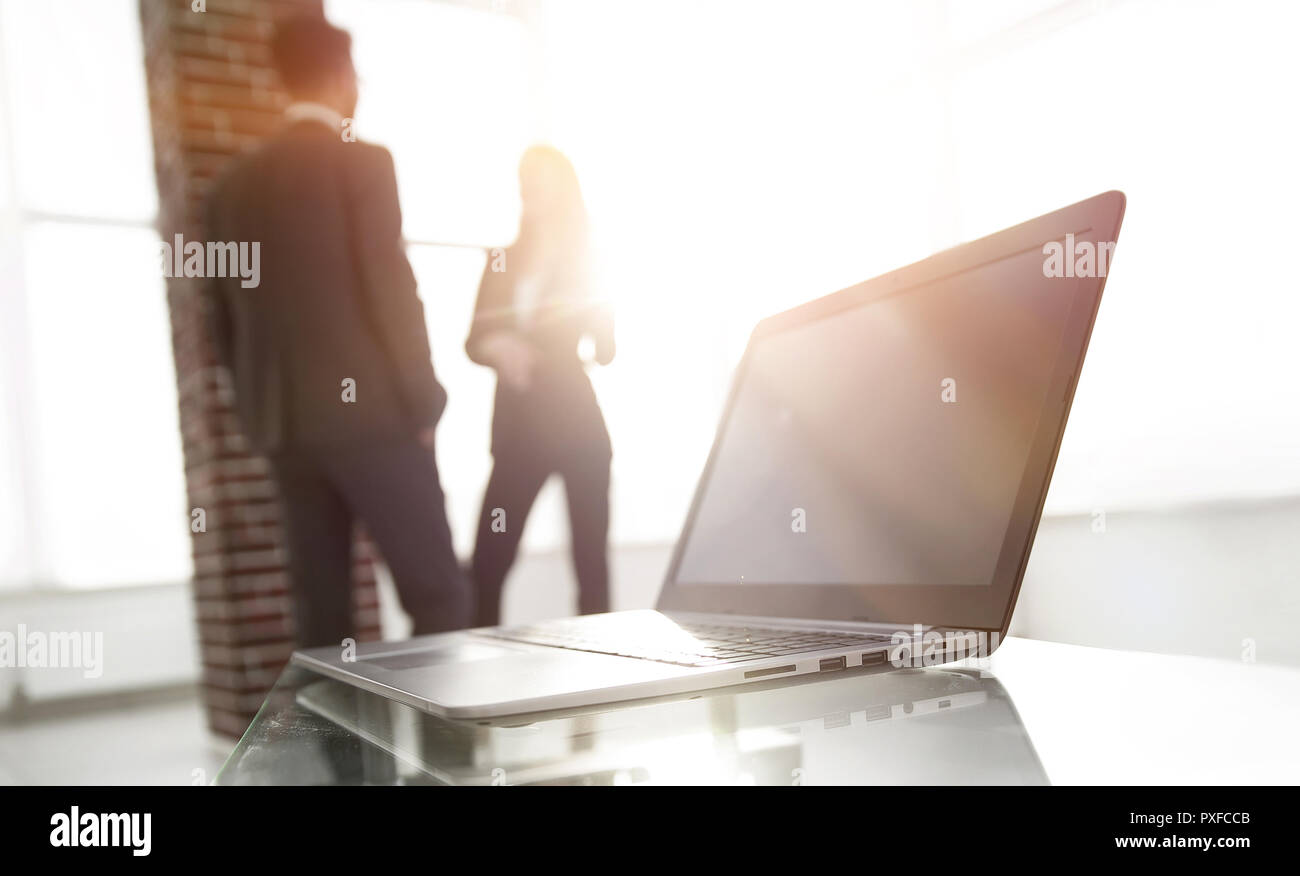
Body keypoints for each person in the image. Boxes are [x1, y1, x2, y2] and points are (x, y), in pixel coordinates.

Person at [203, 18, 469, 647]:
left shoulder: (229, 191)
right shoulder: (363, 163)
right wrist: (425, 401)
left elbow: (221, 323)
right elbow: (390, 289)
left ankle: (346, 752)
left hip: (286, 431)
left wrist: (261, 417)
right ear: (340, 75)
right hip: (372, 418)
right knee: (440, 596)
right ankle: (441, 750)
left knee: (323, 624)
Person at [466, 145, 615, 627]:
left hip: (578, 426)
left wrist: (599, 300)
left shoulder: (586, 255)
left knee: (591, 570)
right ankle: (477, 681)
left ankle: (604, 680)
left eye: (543, 182)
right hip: (517, 431)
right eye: (526, 182)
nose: (533, 192)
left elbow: (607, 349)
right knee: (488, 564)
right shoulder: (501, 261)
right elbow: (472, 340)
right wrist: (499, 346)